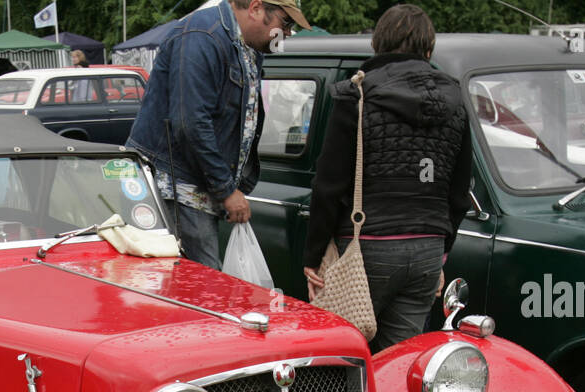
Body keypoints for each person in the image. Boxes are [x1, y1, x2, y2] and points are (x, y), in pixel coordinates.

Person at [302, 4, 471, 350]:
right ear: (428, 49)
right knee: (400, 361)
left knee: (345, 357)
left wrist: (313, 256)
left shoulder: (358, 95)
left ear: (378, 44)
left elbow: (328, 184)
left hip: (366, 249)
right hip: (427, 248)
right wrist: (440, 254)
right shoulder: (456, 102)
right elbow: (458, 192)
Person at [126, 0, 308, 270]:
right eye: (286, 23)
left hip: (197, 186)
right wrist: (226, 190)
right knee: (205, 288)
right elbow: (190, 123)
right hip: (177, 187)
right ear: (256, 8)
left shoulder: (247, 46)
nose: (288, 33)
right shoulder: (201, 36)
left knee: (196, 286)